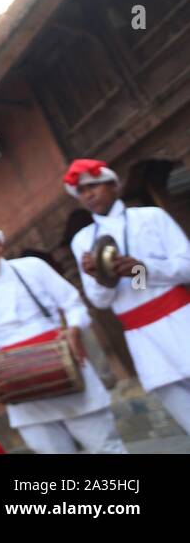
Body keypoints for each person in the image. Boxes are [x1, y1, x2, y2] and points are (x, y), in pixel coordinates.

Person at [0, 214, 127, 453]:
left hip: (64, 369)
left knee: (105, 447)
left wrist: (74, 330)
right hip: (20, 388)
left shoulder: (32, 268)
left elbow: (73, 304)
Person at [67, 158, 190, 434]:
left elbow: (187, 266)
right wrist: (101, 278)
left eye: (93, 186)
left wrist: (143, 269)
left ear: (114, 185)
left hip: (181, 319)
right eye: (81, 192)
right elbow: (99, 301)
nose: (88, 195)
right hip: (142, 339)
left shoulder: (151, 217)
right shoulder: (82, 241)